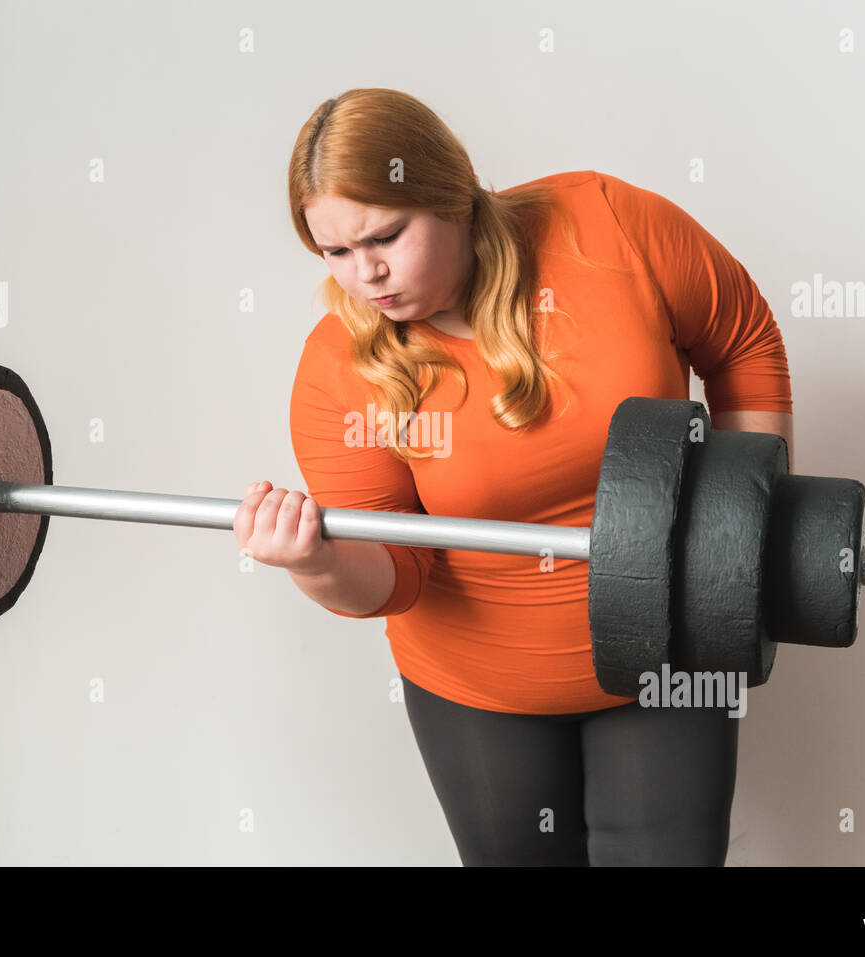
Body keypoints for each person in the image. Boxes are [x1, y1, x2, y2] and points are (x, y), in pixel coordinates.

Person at [233, 88, 794, 866]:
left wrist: (747, 521)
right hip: (481, 692)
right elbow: (396, 569)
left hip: (668, 653)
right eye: (334, 252)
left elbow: (741, 341)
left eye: (385, 236)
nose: (366, 275)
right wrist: (315, 563)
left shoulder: (609, 226)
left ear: (452, 193)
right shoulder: (339, 368)